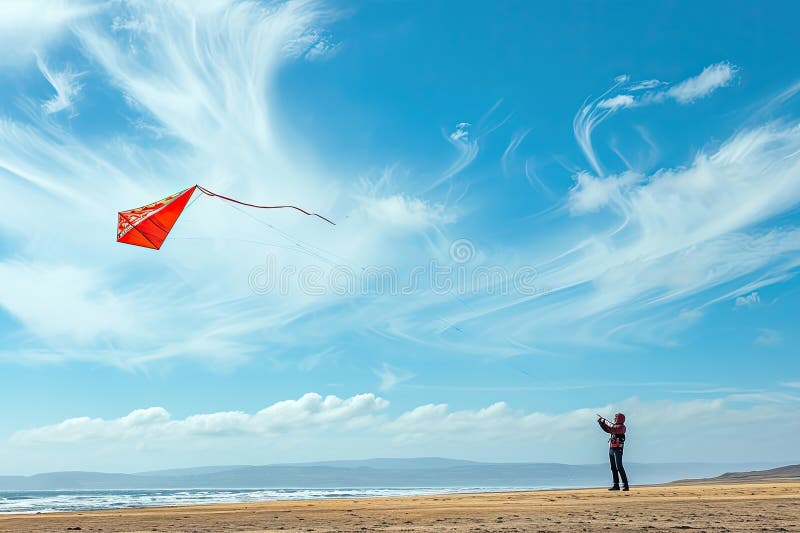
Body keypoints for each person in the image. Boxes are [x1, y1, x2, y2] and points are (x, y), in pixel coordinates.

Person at [597, 412, 629, 491]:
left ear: (619, 419)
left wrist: (604, 421)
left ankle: (625, 485)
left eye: (615, 418)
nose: (614, 419)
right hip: (612, 448)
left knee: (619, 466)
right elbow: (608, 429)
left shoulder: (622, 427)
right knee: (613, 467)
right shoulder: (615, 427)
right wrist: (601, 423)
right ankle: (616, 485)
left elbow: (612, 428)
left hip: (618, 449)